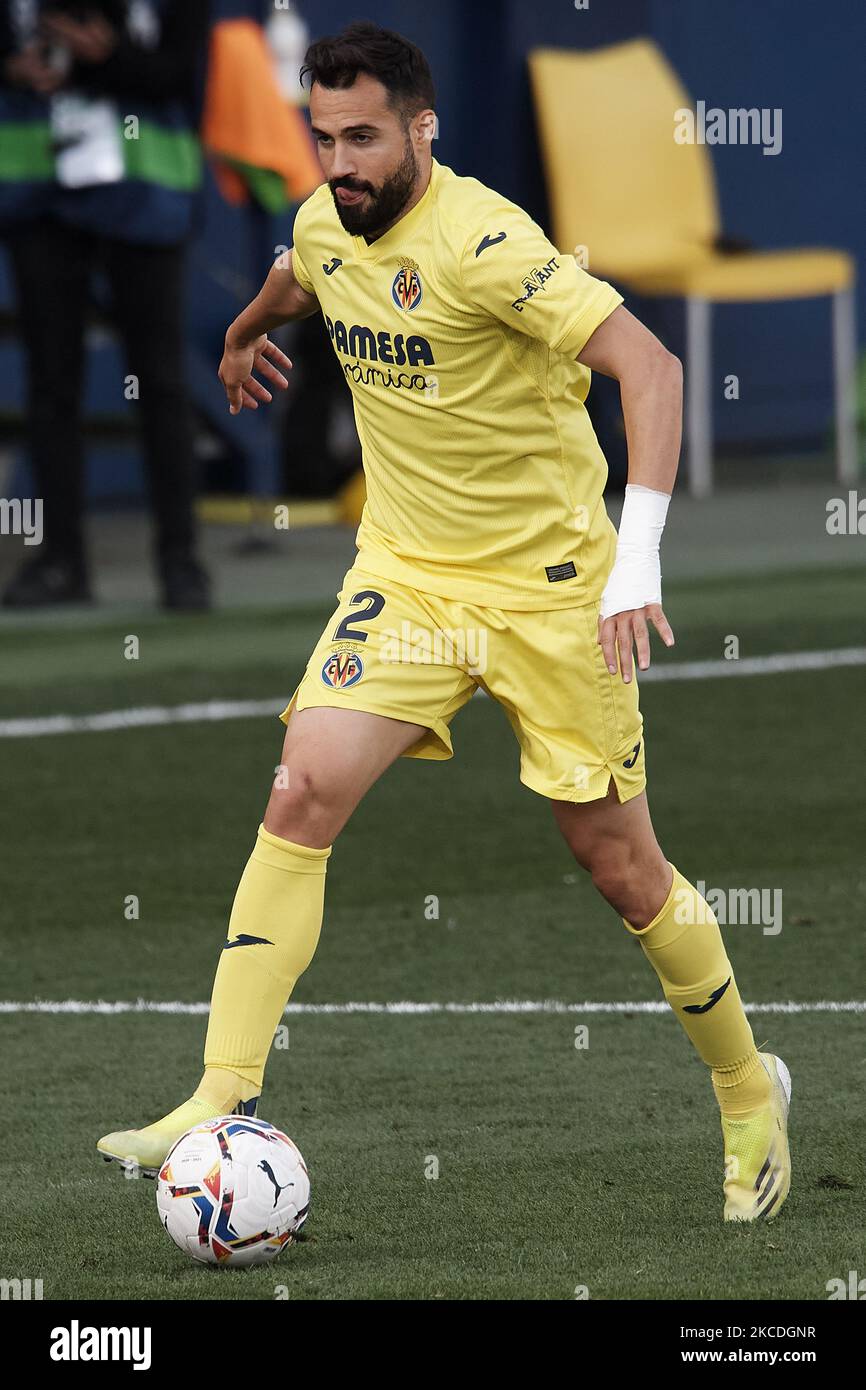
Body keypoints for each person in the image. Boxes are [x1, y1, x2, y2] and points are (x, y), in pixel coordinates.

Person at [97, 21, 791, 1222]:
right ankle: (219, 1092)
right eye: (322, 138)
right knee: (300, 787)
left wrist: (638, 562)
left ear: (422, 127)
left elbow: (655, 370)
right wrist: (245, 330)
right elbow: (300, 268)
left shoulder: (483, 242)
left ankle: (746, 1093)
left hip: (553, 589)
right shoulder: (329, 218)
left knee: (616, 863)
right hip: (410, 579)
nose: (340, 161)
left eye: (363, 136)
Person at [0, 0, 211, 610]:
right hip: (36, 183)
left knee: (161, 380)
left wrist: (106, 57)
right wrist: (17, 68)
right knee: (50, 381)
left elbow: (181, 69)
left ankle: (181, 562)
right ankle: (61, 560)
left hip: (143, 186)